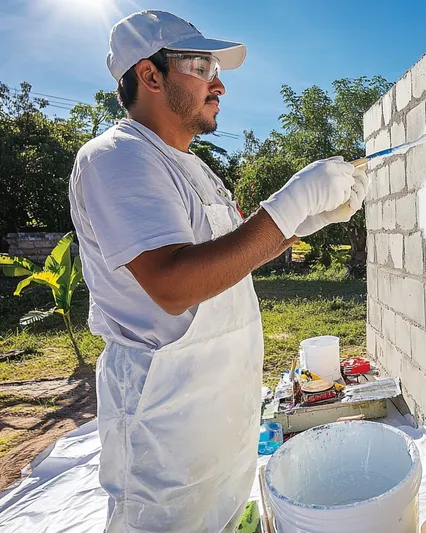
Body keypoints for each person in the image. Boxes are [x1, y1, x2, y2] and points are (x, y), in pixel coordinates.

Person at [68, 10, 367, 532]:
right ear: (150, 75)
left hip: (220, 402)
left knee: (223, 517)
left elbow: (230, 258)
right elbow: (173, 284)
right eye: (202, 68)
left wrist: (306, 220)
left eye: (217, 70)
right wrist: (288, 205)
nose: (219, 85)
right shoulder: (117, 158)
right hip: (165, 416)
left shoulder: (194, 167)